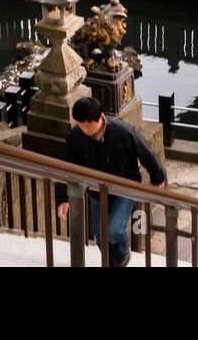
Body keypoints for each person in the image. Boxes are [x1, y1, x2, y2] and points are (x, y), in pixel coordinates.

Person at [55, 96, 166, 267]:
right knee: (100, 236)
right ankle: (114, 264)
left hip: (125, 188)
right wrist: (63, 198)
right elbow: (67, 167)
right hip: (96, 191)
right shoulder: (76, 137)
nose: (84, 129)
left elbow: (145, 152)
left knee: (113, 230)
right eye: (80, 125)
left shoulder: (122, 131)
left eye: (87, 124)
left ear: (99, 118)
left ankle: (123, 255)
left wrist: (157, 178)